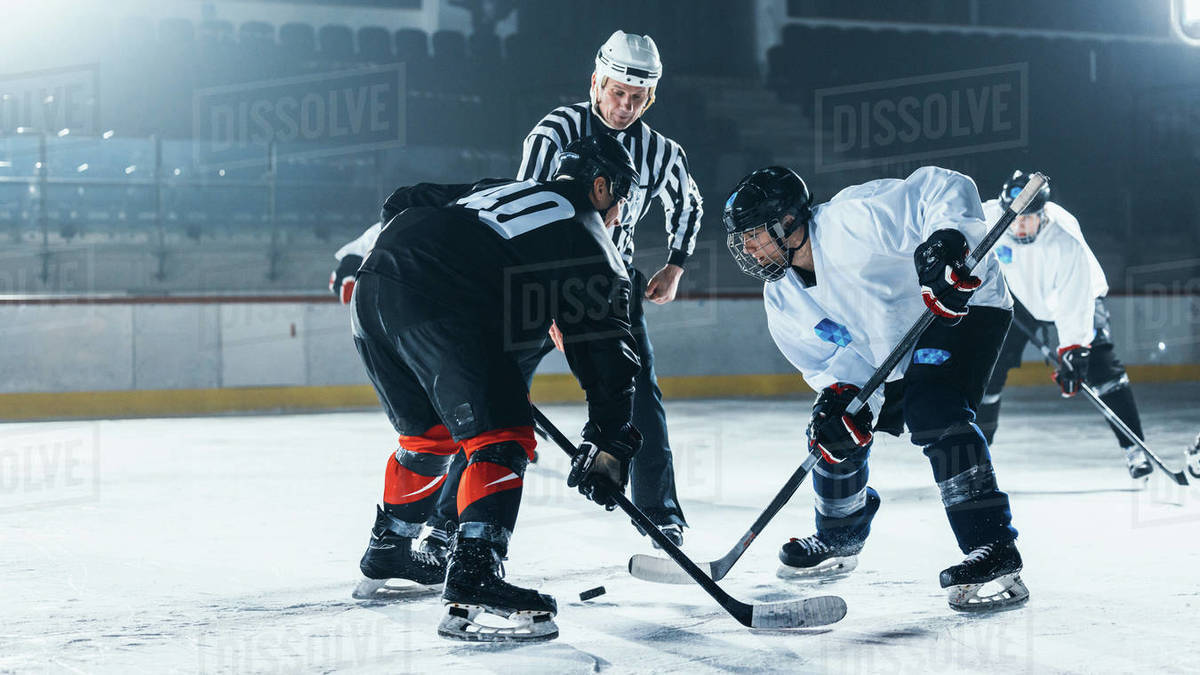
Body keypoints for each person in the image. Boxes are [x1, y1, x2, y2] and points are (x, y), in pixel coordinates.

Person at [349, 135, 644, 642]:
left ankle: (390, 549)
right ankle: (475, 578)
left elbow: (403, 199)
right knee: (503, 438)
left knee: (431, 436)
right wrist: (609, 441)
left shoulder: (500, 189)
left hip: (375, 287)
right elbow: (606, 353)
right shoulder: (588, 234)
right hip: (442, 302)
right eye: (620, 201)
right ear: (601, 186)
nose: (619, 214)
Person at [723, 165, 1029, 612]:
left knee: (934, 409)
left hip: (961, 307)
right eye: (743, 240)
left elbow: (944, 186)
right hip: (889, 348)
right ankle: (840, 536)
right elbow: (830, 364)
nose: (748, 248)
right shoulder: (783, 297)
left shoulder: (853, 220)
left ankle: (994, 546)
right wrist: (845, 401)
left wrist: (947, 244)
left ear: (788, 221)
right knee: (832, 429)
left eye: (754, 234)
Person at [516, 30, 703, 546]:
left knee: (641, 394)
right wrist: (547, 302)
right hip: (541, 282)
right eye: (617, 92)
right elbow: (527, 213)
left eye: (637, 97)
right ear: (596, 82)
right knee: (497, 388)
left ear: (652, 97)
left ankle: (661, 513)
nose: (625, 105)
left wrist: (676, 264)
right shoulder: (554, 131)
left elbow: (687, 205)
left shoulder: (662, 152)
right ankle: (447, 524)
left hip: (611, 288)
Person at [978, 171, 1151, 480]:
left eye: (1026, 218)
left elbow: (1076, 300)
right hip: (1019, 298)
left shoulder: (1064, 239)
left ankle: (1134, 449)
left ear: (1042, 212)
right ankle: (977, 456)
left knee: (1102, 368)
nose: (1017, 225)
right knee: (988, 369)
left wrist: (1074, 349)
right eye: (1013, 217)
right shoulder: (990, 217)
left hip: (1077, 295)